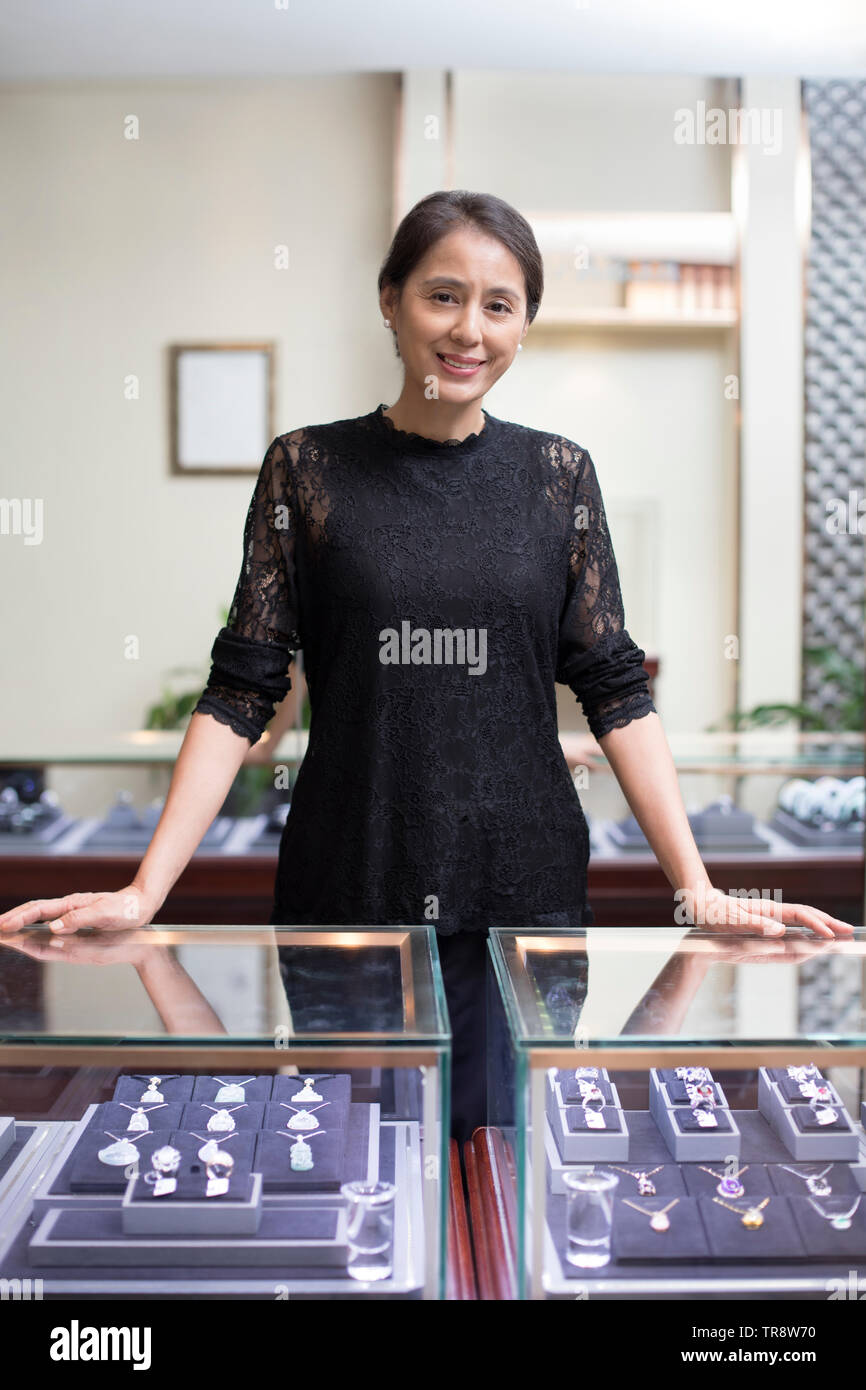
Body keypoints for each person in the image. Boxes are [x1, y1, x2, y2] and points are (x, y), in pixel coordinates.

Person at [0, 190, 853, 1146]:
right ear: (391, 299)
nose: (469, 330)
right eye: (443, 295)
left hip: (522, 897)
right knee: (348, 1158)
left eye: (500, 304)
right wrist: (144, 892)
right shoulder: (307, 470)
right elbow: (243, 686)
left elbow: (614, 685)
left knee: (501, 1160)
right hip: (349, 887)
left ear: (526, 322)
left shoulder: (558, 475)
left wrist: (695, 887)